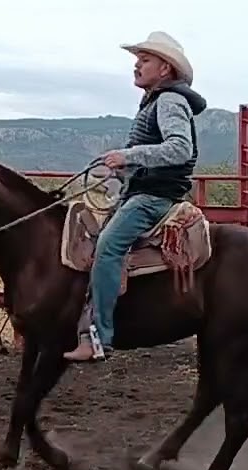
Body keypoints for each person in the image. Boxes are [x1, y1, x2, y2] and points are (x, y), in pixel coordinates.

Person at [64, 31, 207, 362]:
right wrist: (120, 168)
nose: (136, 66)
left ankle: (99, 338)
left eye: (144, 60)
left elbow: (179, 148)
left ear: (165, 69)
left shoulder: (170, 101)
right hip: (142, 190)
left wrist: (128, 157)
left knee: (109, 246)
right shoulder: (155, 101)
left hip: (154, 198)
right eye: (137, 61)